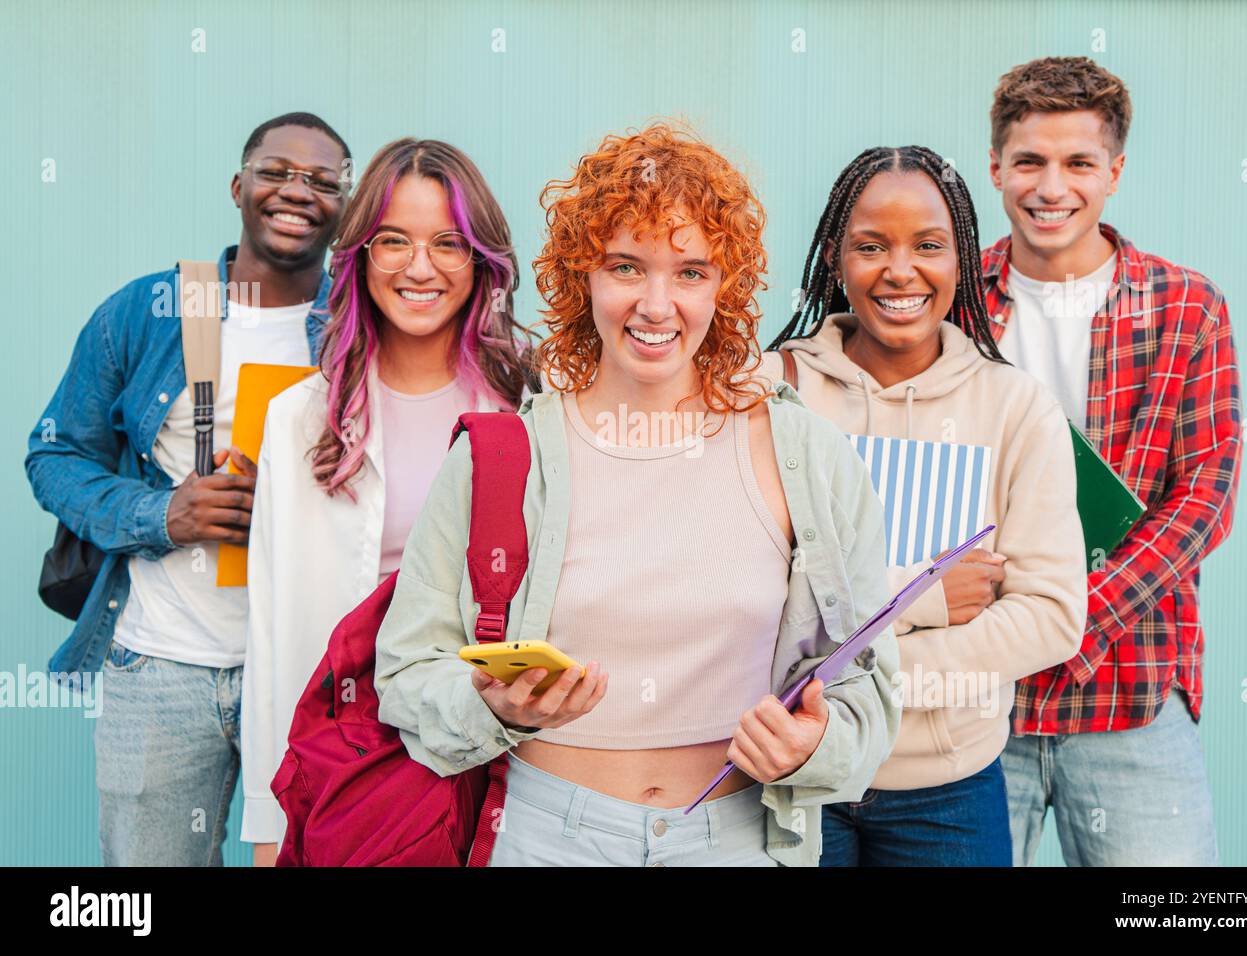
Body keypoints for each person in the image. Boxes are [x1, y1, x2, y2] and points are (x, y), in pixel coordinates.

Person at [374, 123, 901, 867]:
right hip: (547, 838)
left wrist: (814, 746)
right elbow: (403, 674)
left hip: (739, 839)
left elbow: (870, 695)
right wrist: (488, 707)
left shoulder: (807, 457)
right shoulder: (502, 456)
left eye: (691, 271)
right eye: (626, 266)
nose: (657, 305)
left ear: (726, 285)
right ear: (580, 275)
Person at [25, 112, 351, 865]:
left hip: (308, 664)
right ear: (239, 187)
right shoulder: (150, 310)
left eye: (323, 181)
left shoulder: (360, 323)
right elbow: (54, 454)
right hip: (160, 664)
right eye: (276, 172)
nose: (297, 191)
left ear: (344, 206)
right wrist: (161, 513)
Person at [764, 145, 1087, 866]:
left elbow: (1050, 617)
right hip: (797, 780)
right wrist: (926, 595)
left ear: (963, 258)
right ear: (836, 260)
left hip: (947, 792)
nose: (900, 270)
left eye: (929, 246)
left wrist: (842, 670)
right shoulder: (774, 391)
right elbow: (748, 591)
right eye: (871, 245)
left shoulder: (1015, 408)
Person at [239, 139, 537, 865]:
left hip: (495, 755)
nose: (420, 267)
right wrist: (268, 818)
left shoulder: (532, 410)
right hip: (345, 756)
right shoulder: (297, 415)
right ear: (361, 256)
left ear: (483, 261)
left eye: (448, 243)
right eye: (393, 241)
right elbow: (274, 630)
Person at [983, 57, 1243, 866]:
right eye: (1029, 161)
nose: (1050, 186)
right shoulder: (952, 302)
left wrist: (1072, 614)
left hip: (1132, 688)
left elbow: (1204, 499)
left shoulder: (1186, 306)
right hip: (978, 701)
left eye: (1078, 163)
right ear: (996, 167)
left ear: (1115, 172)